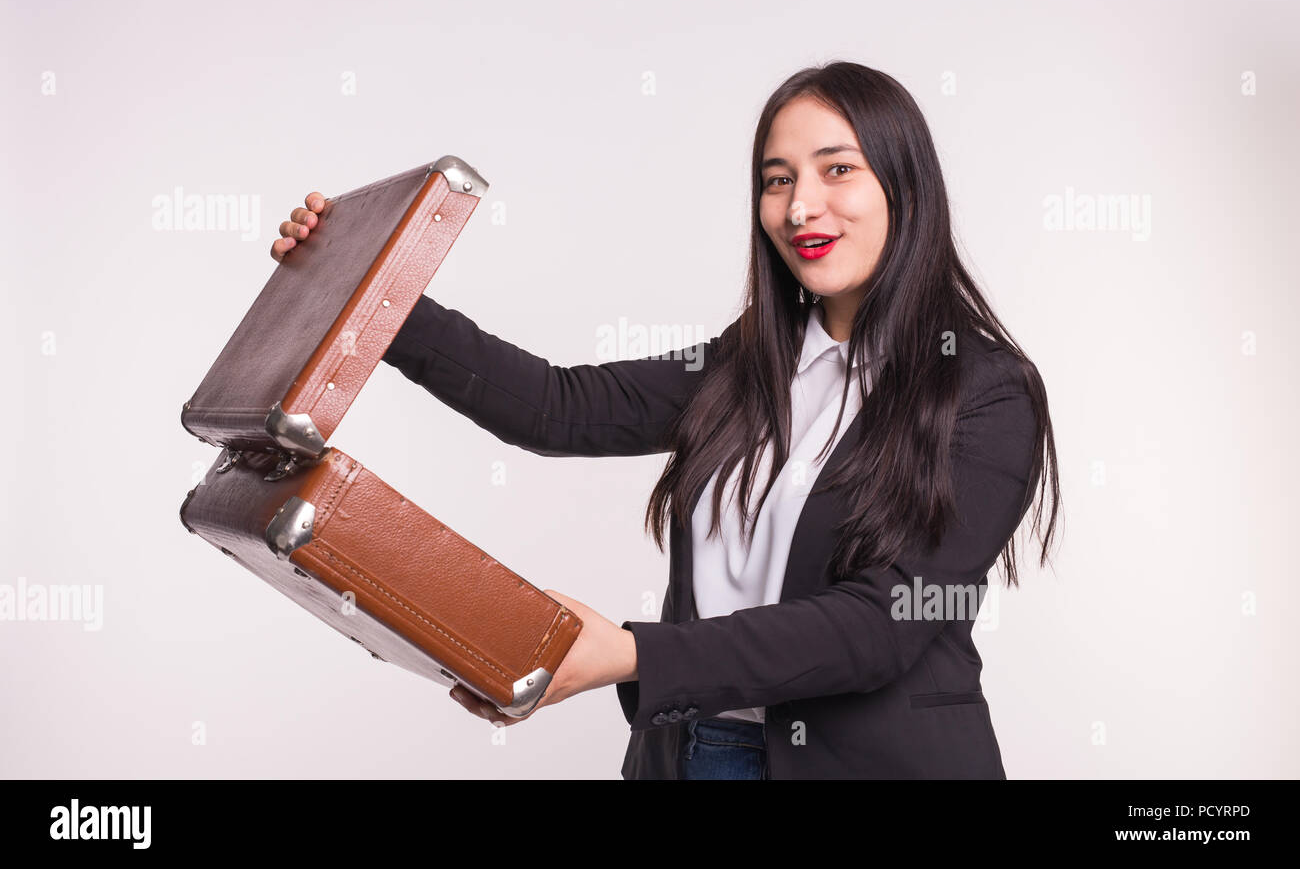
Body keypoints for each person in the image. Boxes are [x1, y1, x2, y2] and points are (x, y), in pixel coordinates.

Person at [271, 61, 1061, 780]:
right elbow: (558, 406)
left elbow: (881, 625)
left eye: (838, 170)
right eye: (777, 180)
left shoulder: (987, 392)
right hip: (690, 756)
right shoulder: (749, 360)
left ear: (907, 187)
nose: (800, 207)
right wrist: (373, 298)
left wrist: (633, 655)